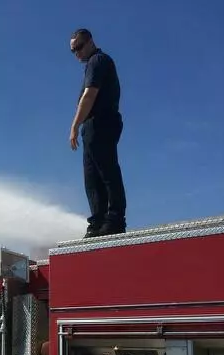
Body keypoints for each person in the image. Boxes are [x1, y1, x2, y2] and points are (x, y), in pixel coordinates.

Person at [69, 28, 127, 238]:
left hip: (102, 121)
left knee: (106, 170)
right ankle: (98, 220)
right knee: (91, 176)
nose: (77, 54)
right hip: (92, 125)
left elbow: (89, 95)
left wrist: (74, 126)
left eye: (79, 47)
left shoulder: (98, 61)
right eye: (73, 51)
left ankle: (114, 218)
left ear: (90, 42)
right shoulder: (91, 64)